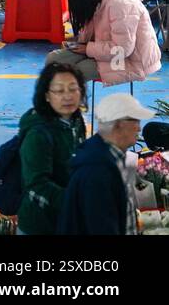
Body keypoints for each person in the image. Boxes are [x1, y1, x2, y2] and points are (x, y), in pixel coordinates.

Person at [58, 93, 156, 235]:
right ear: (118, 125)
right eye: (136, 121)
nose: (139, 128)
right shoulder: (97, 169)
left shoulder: (110, 158)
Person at [16, 62, 87, 235]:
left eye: (73, 89)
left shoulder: (77, 122)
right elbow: (37, 185)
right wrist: (76, 201)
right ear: (47, 96)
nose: (67, 96)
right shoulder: (38, 134)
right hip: (40, 225)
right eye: (59, 91)